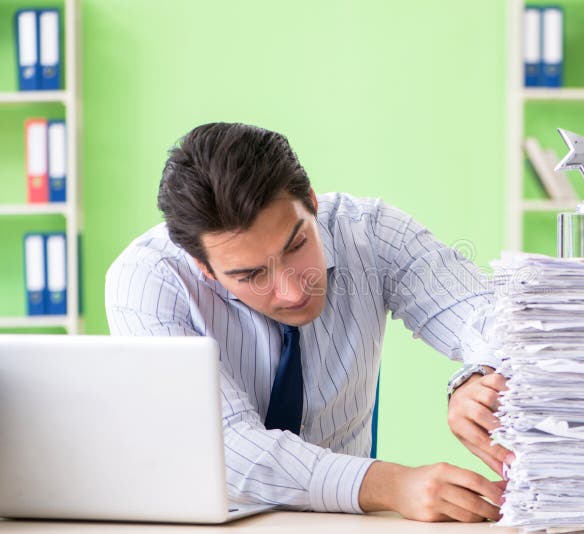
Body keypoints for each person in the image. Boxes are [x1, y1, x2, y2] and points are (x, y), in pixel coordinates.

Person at [105, 122, 511, 522]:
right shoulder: (148, 280)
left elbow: (496, 318)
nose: (293, 291)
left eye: (297, 245)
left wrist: (480, 373)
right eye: (251, 275)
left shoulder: (370, 233)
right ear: (204, 267)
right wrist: (388, 484)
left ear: (312, 202)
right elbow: (224, 447)